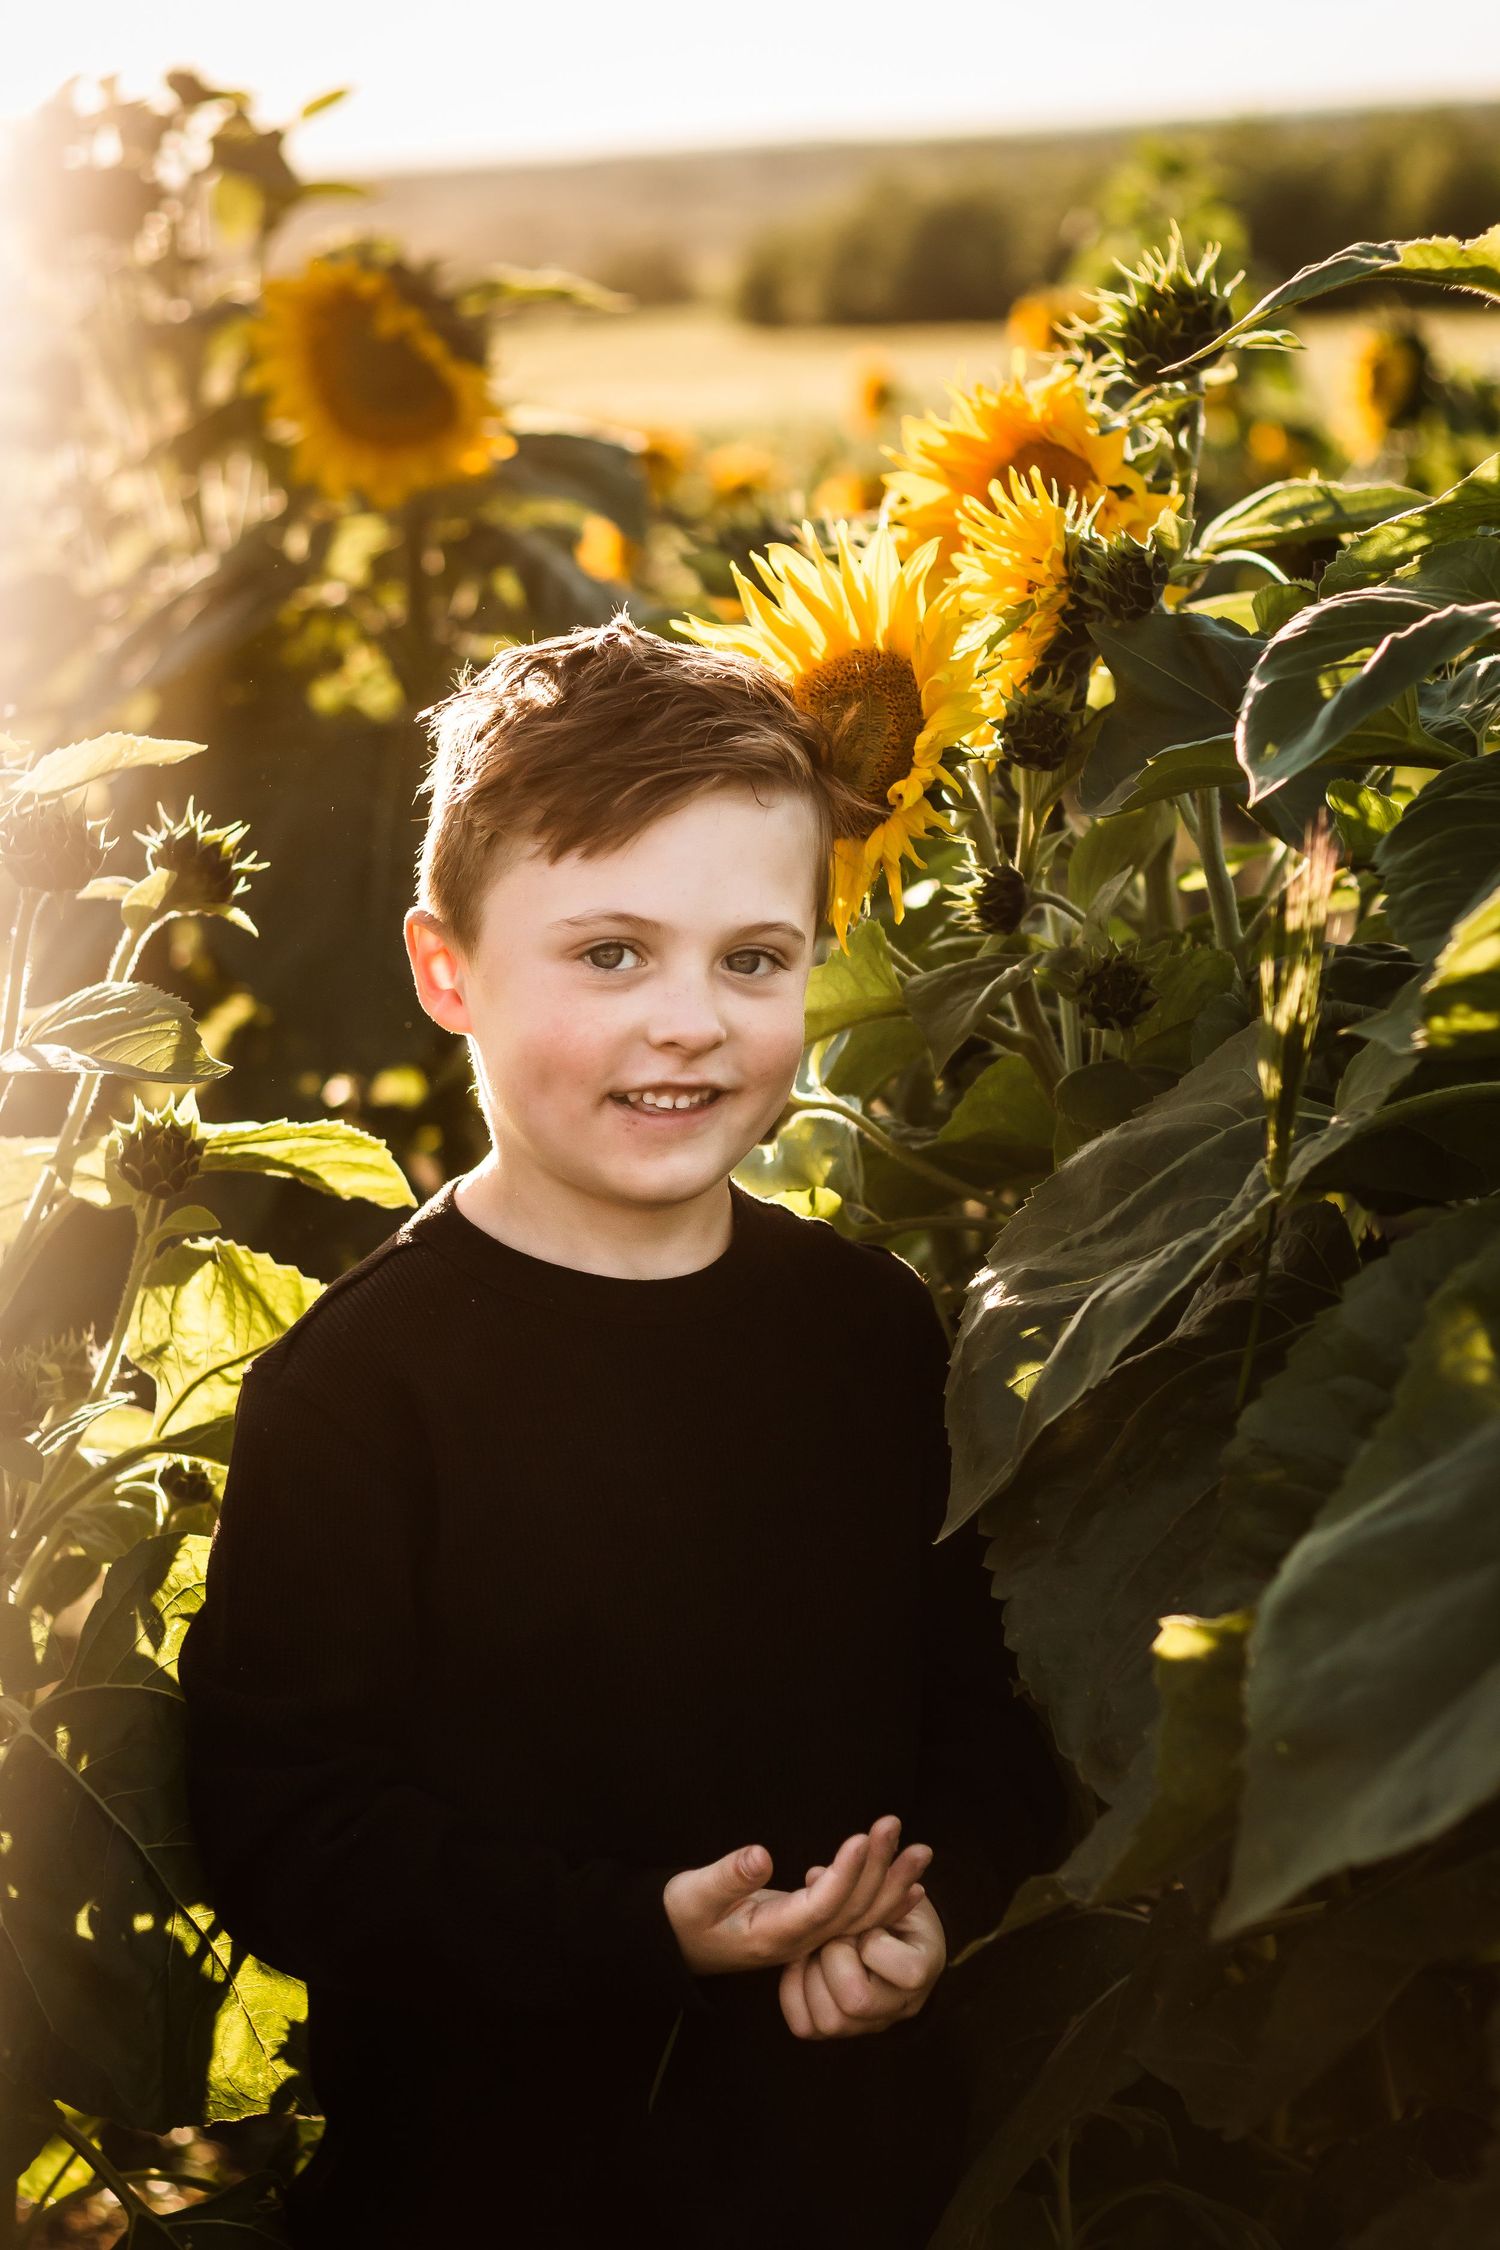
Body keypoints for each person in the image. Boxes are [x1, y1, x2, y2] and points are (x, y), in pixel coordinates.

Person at [176, 611, 1065, 2249]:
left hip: (850, 2169)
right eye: (610, 953)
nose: (691, 1021)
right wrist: (638, 1929)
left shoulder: (870, 1331)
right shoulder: (367, 1389)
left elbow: (988, 1712)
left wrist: (934, 1905)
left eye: (754, 958)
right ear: (446, 971)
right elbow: (284, 1823)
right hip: (494, 2182)